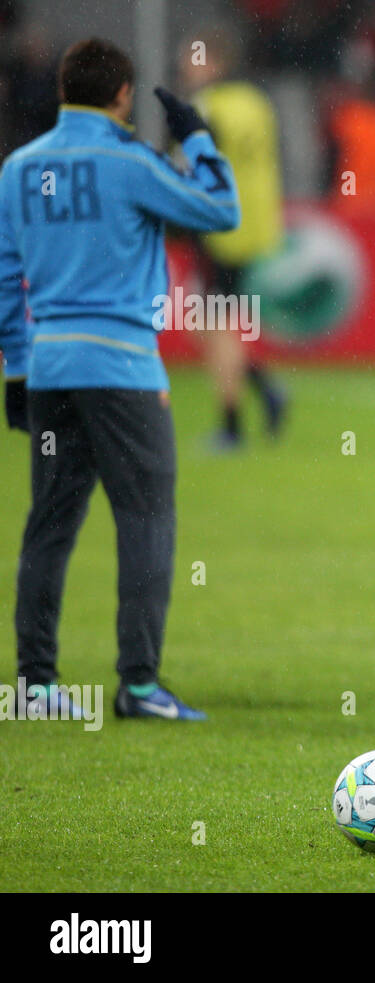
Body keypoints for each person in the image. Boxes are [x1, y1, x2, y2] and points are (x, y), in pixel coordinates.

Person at [0, 38, 239, 719]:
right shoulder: (130, 162)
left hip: (48, 368)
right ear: (124, 94)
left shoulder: (18, 168)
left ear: (61, 90)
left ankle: (36, 684)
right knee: (145, 519)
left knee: (47, 524)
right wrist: (197, 141)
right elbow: (221, 211)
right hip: (124, 368)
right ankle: (138, 684)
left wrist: (17, 368)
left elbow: (1, 275)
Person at [178, 25, 288, 450]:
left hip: (217, 228)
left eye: (191, 57)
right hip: (254, 225)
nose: (184, 66)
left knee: (214, 325)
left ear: (214, 61)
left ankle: (232, 428)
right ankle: (265, 387)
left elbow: (193, 170)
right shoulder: (255, 101)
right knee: (205, 325)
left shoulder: (205, 107)